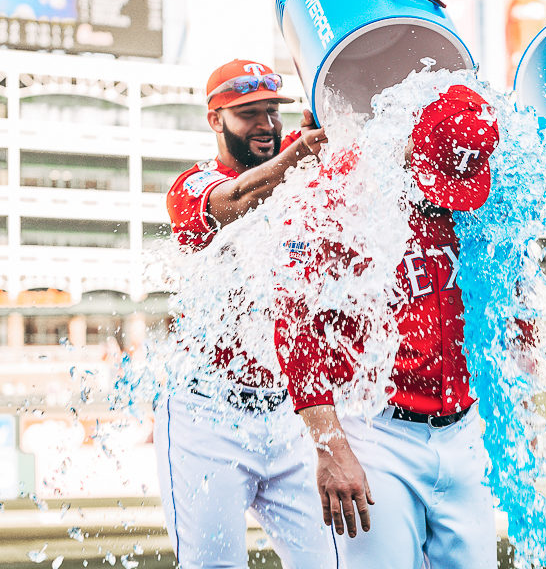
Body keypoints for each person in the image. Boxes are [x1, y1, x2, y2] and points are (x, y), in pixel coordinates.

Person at [275, 84, 502, 569]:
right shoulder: (344, 196)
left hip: (462, 427)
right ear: (414, 143)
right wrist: (330, 445)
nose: (448, 197)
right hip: (377, 430)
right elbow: (296, 324)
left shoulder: (487, 195)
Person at [153, 58, 334, 568]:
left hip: (288, 414)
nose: (266, 126)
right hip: (207, 415)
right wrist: (297, 156)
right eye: (247, 114)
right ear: (215, 121)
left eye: (272, 111)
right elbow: (236, 200)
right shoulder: (191, 186)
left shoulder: (297, 165)